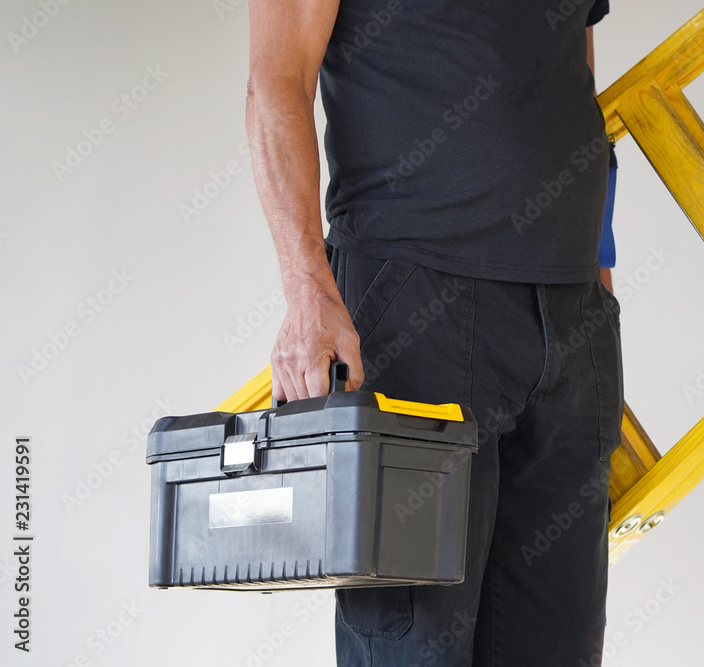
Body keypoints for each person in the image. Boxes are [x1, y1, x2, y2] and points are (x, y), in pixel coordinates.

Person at [245, 0, 623, 664]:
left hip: (571, 311)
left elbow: (572, 66)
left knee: (560, 644)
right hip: (416, 302)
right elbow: (277, 80)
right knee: (415, 644)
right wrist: (308, 293)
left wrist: (597, 281)